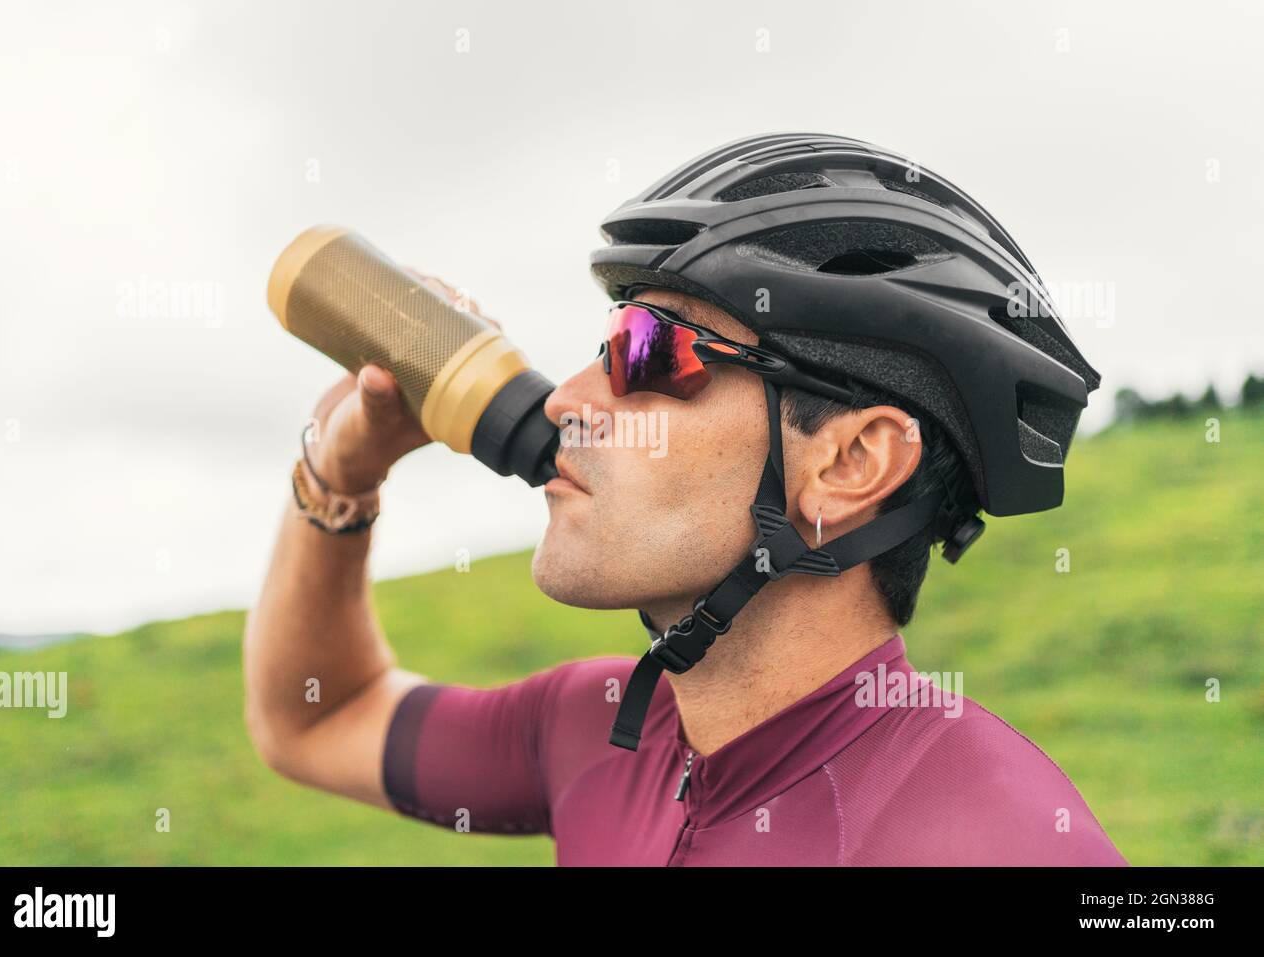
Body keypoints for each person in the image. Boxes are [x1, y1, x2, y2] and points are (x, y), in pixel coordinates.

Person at [244, 132, 1127, 865]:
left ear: (852, 463)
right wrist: (343, 476)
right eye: (604, 345)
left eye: (651, 351)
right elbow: (316, 718)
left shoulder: (1001, 843)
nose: (567, 401)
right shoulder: (597, 735)